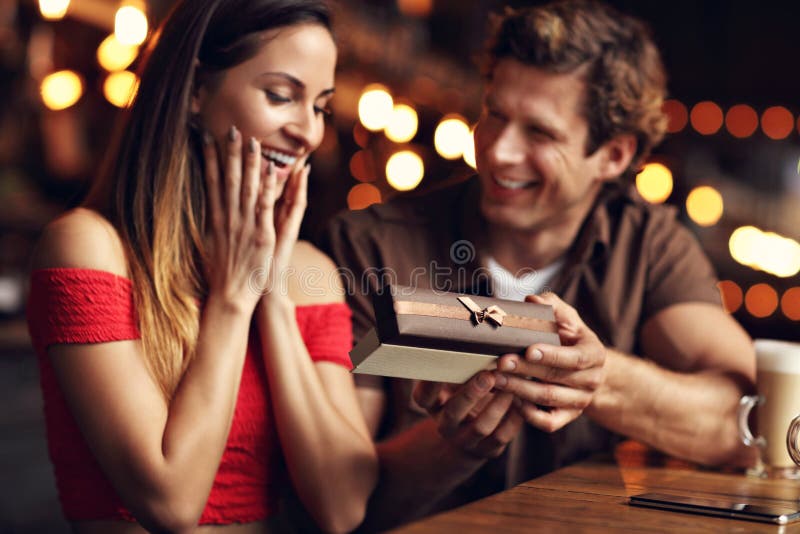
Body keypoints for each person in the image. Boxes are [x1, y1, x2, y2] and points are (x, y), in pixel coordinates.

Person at [321, 0, 756, 530]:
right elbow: (343, 500)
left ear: (615, 156)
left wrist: (596, 377)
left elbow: (744, 421)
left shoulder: (644, 243)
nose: (499, 151)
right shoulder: (370, 247)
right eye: (495, 115)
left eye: (540, 134)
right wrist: (451, 447)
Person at [26, 0, 377, 532]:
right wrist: (234, 300)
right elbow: (170, 503)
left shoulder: (311, 274)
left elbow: (343, 507)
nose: (309, 133)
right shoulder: (88, 248)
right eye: (282, 96)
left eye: (322, 107)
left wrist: (273, 295)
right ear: (195, 92)